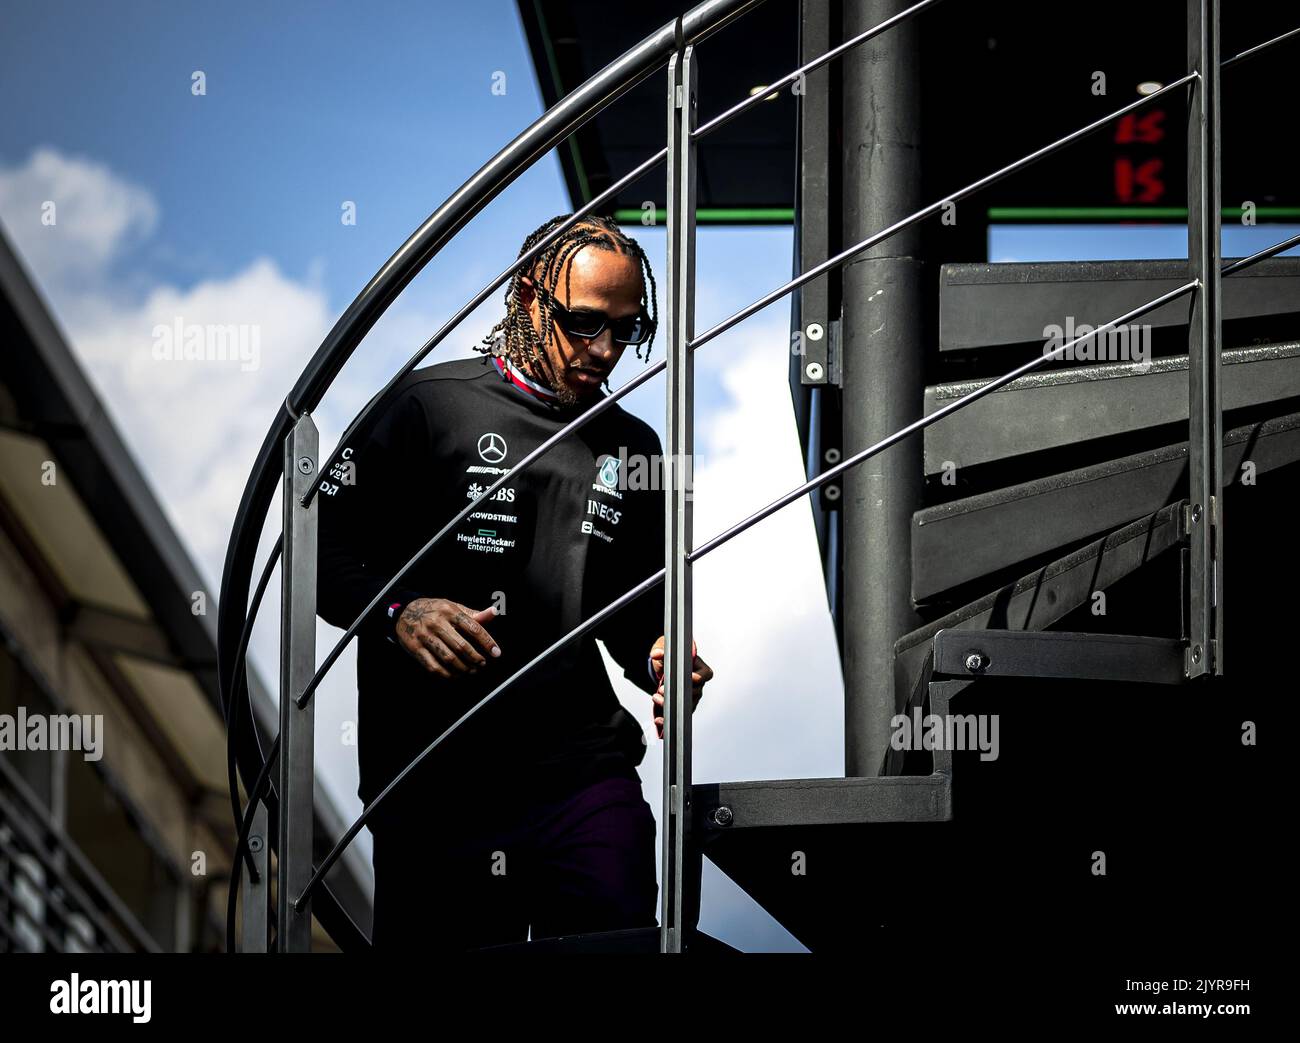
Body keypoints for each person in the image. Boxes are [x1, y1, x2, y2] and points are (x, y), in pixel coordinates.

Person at [316, 214, 713, 951]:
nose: (604, 350)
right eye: (584, 323)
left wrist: (659, 654)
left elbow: (633, 612)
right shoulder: (423, 406)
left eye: (627, 329)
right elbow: (318, 552)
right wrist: (399, 611)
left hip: (582, 774)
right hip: (435, 782)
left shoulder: (634, 446)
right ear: (527, 298)